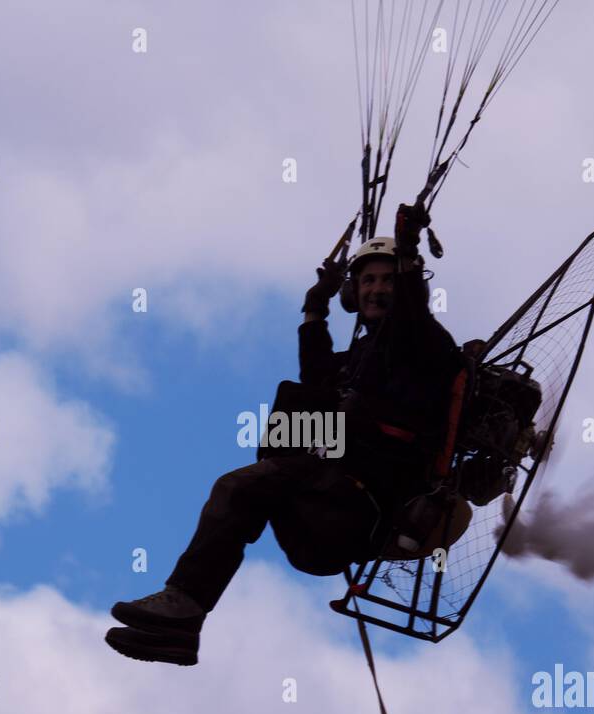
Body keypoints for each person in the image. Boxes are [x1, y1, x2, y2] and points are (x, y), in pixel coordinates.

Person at [106, 202, 464, 665]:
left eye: (388, 280)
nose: (377, 289)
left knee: (239, 485)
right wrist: (316, 309)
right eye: (368, 280)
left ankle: (184, 604)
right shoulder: (357, 360)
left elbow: (413, 320)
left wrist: (411, 253)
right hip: (319, 514)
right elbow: (317, 380)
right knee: (294, 413)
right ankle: (180, 633)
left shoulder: (425, 345)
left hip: (362, 502)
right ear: (353, 293)